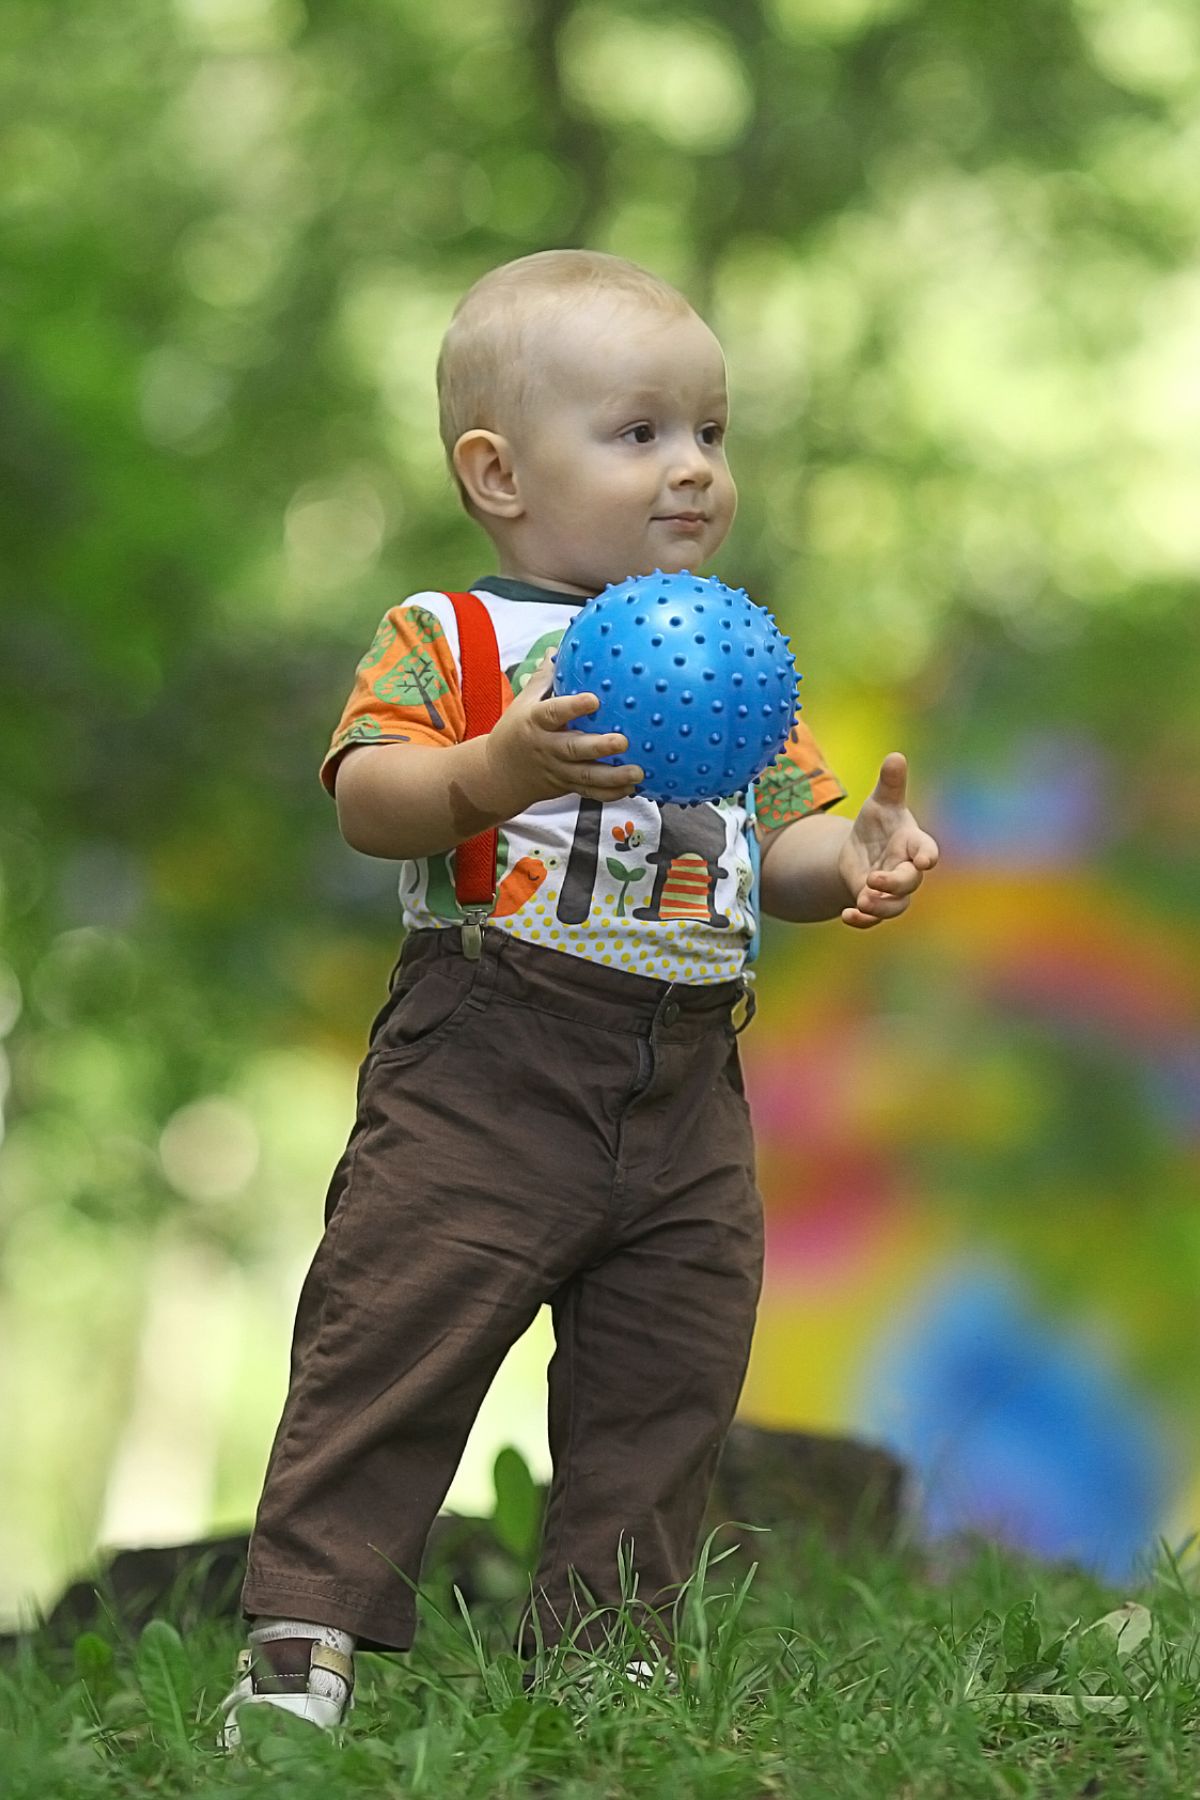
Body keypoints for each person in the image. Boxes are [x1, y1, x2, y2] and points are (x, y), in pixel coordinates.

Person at [218, 249, 940, 1744]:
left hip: (685, 1079)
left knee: (666, 1373)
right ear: (497, 472)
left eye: (712, 434)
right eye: (640, 434)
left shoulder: (733, 654)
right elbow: (371, 798)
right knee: (392, 1338)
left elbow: (779, 845)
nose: (694, 471)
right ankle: (304, 1646)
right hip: (488, 1057)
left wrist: (851, 857)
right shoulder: (453, 636)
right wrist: (501, 768)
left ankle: (608, 1657)